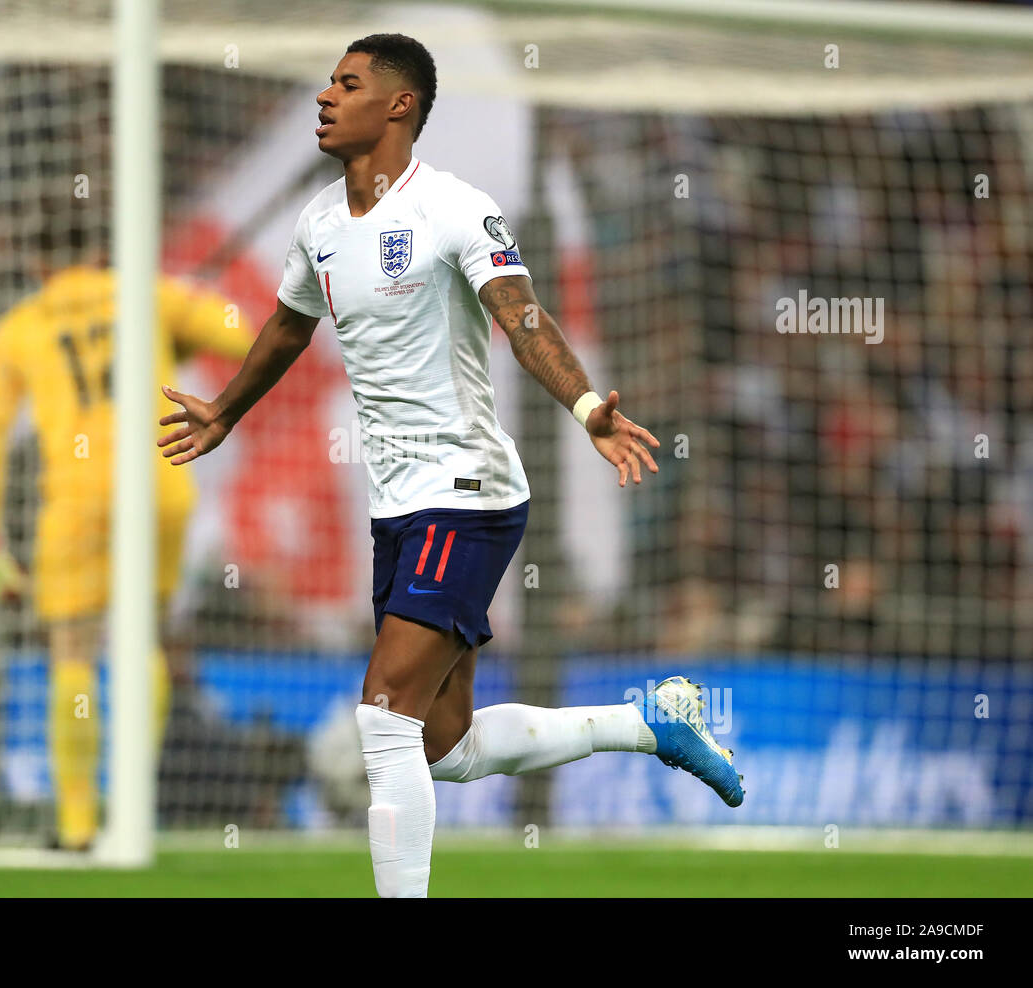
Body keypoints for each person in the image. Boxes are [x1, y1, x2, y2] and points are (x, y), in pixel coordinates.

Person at [158, 34, 742, 897]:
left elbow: (523, 316)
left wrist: (586, 408)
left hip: (465, 491)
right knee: (443, 748)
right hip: (401, 508)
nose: (325, 96)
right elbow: (287, 325)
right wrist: (225, 410)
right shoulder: (319, 221)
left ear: (398, 106)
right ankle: (654, 724)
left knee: (382, 716)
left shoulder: (457, 210)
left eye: (347, 84)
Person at [0, 207, 251, 849]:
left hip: (76, 498)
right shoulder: (150, 294)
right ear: (97, 250)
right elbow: (244, 332)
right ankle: (130, 809)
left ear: (36, 264)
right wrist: (183, 336)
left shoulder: (19, 328)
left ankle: (76, 826)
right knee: (141, 640)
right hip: (160, 482)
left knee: (73, 649)